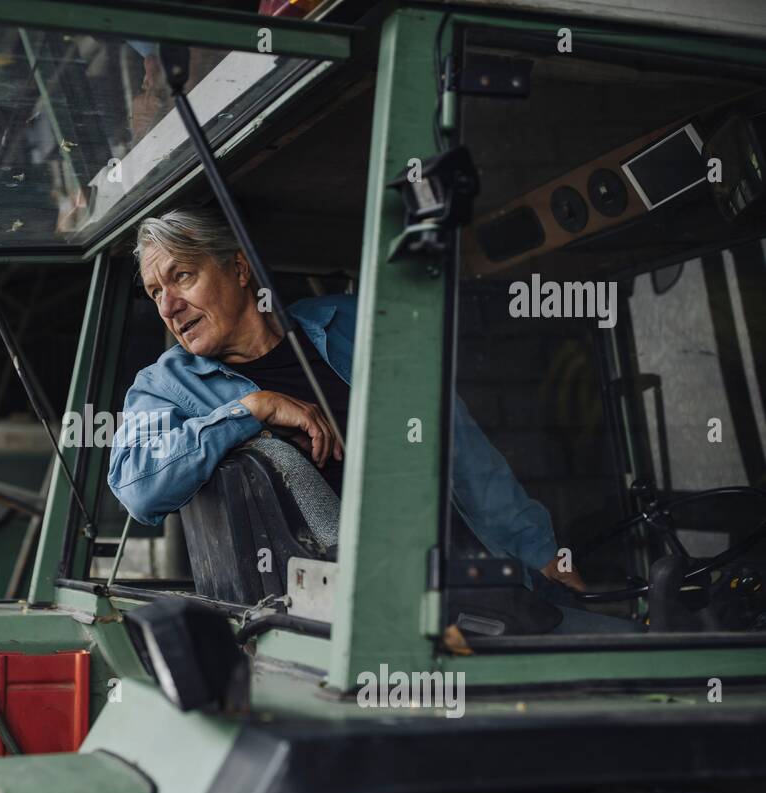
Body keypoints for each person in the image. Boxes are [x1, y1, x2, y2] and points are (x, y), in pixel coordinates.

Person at [107, 207, 639, 632]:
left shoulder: (352, 324)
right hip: (357, 627)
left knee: (637, 648)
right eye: (156, 292)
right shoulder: (165, 386)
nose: (169, 306)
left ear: (239, 269)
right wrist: (250, 410)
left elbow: (459, 444)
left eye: (183, 276)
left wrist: (542, 553)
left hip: (483, 579)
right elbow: (135, 484)